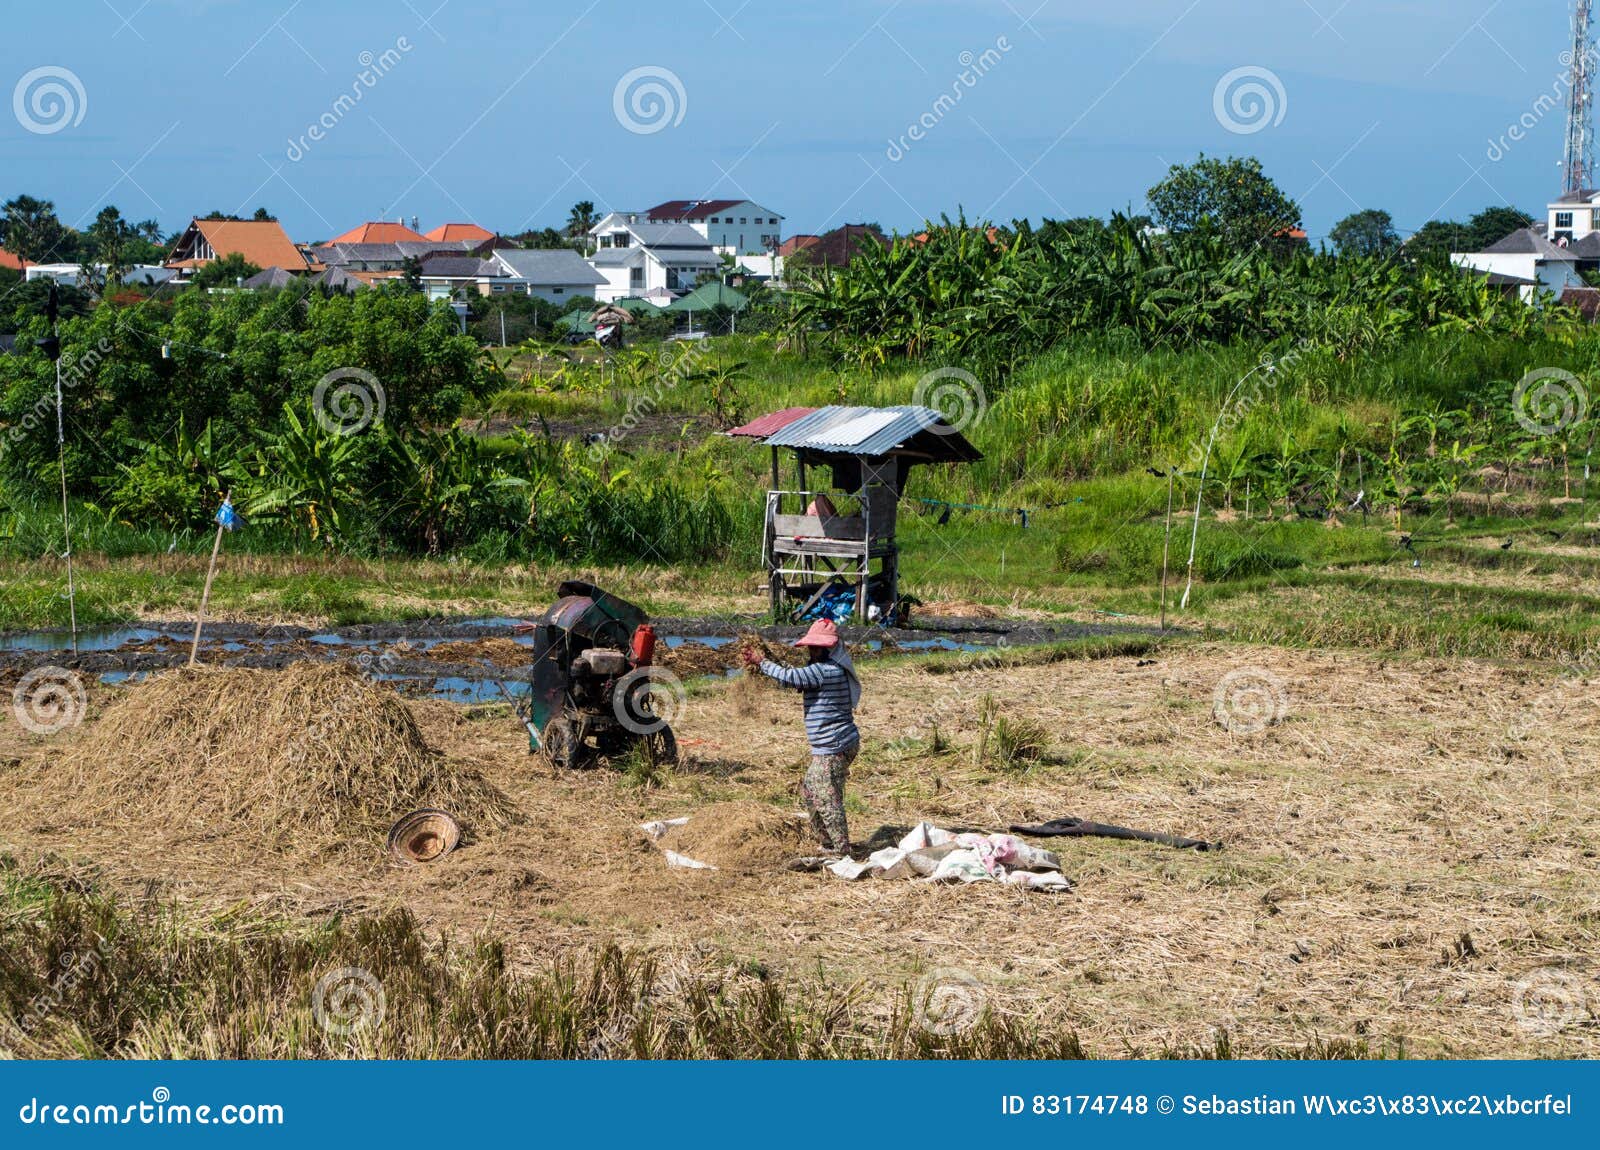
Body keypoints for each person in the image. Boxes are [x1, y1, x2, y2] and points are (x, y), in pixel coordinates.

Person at [741, 618, 861, 853]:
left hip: (834, 745)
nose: (813, 651)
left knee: (826, 794)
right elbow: (794, 677)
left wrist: (761, 662)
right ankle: (827, 841)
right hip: (835, 744)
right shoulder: (825, 669)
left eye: (818, 647)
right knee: (810, 789)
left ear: (830, 648)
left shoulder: (825, 671)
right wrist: (772, 662)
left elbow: (792, 678)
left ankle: (841, 848)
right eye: (811, 647)